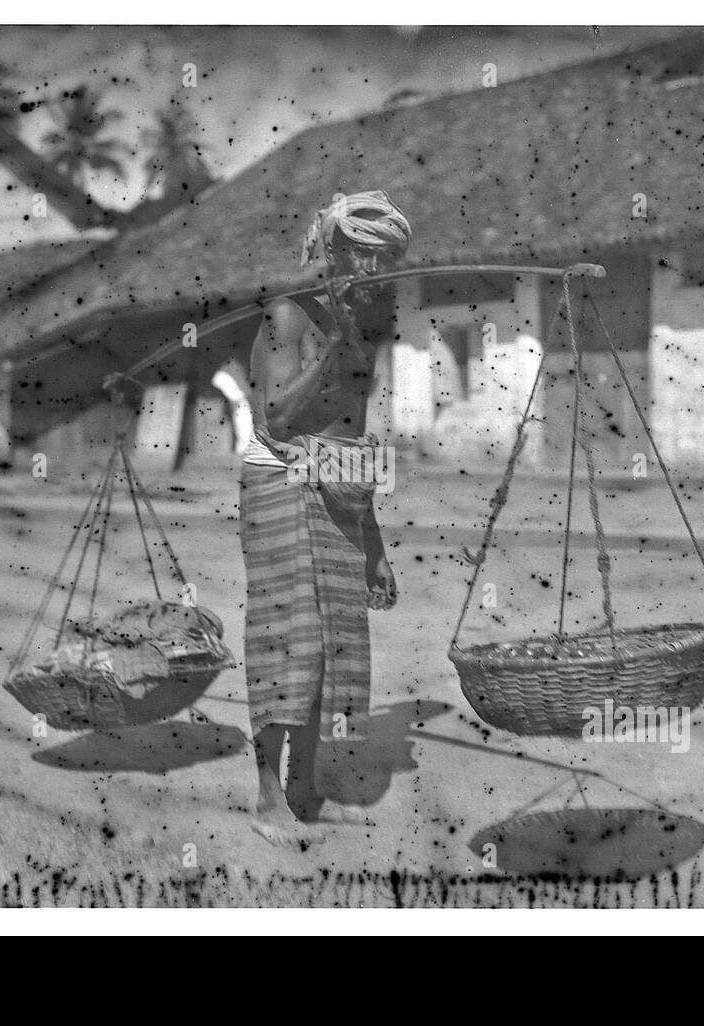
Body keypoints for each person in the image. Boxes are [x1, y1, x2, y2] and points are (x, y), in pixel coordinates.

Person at [240, 191, 409, 845]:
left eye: (384, 259)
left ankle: (307, 784)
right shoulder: (288, 315)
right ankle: (266, 796)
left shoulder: (362, 336)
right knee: (291, 637)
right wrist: (330, 350)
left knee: (334, 644)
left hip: (336, 488)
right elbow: (277, 416)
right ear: (331, 253)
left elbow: (355, 448)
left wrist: (375, 547)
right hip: (279, 477)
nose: (372, 271)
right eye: (362, 255)